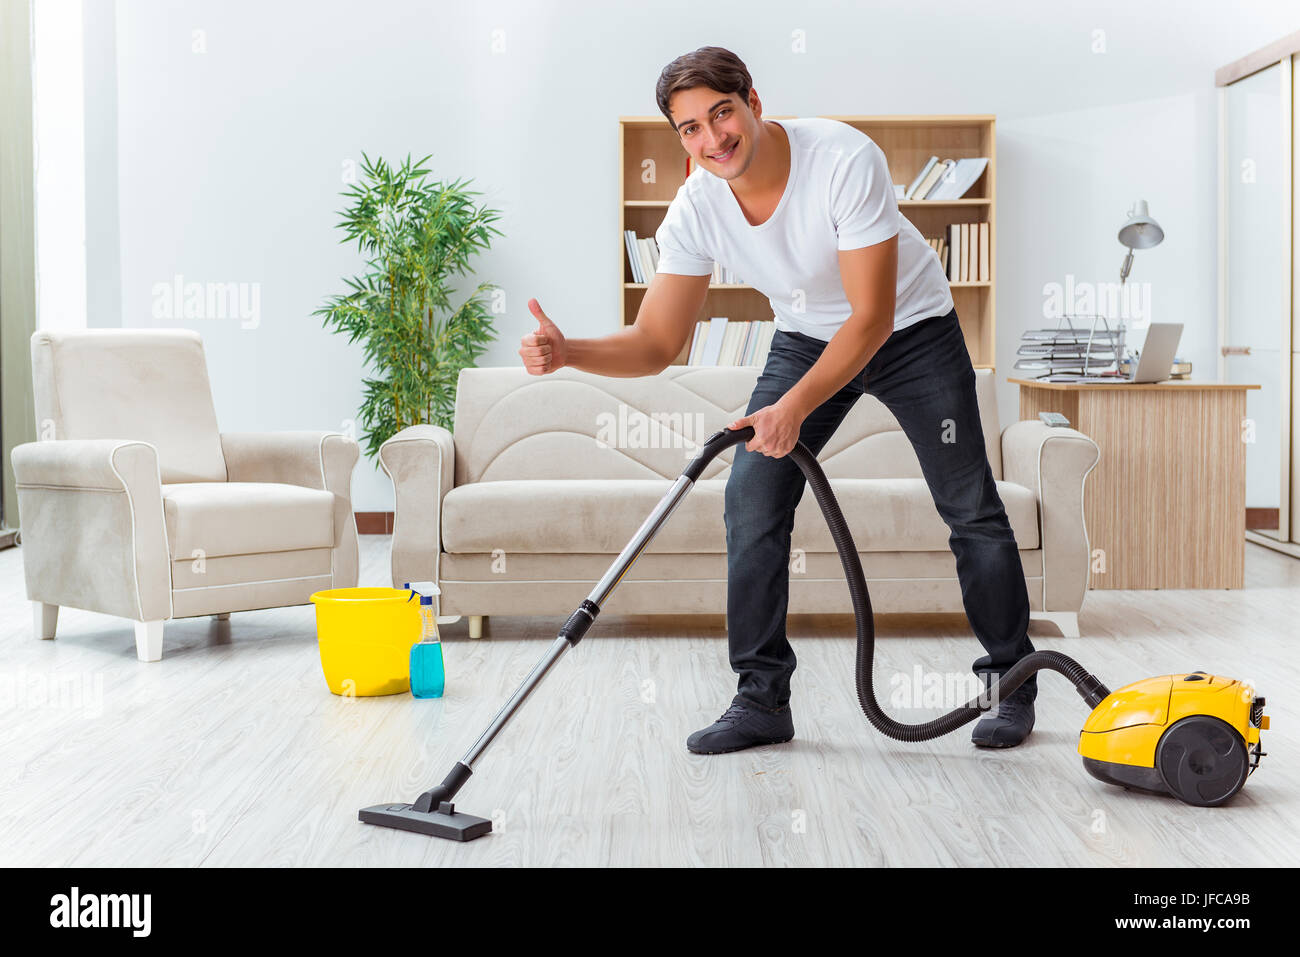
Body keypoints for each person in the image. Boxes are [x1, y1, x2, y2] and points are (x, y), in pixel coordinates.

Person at [518, 45, 1036, 754]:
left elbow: (871, 319)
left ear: (754, 103)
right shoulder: (698, 205)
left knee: (968, 503)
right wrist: (568, 350)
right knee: (752, 497)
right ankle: (762, 697)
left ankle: (1012, 681)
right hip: (804, 337)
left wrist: (793, 406)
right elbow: (658, 341)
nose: (712, 140)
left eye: (721, 114)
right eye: (690, 129)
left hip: (910, 330)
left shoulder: (843, 160)